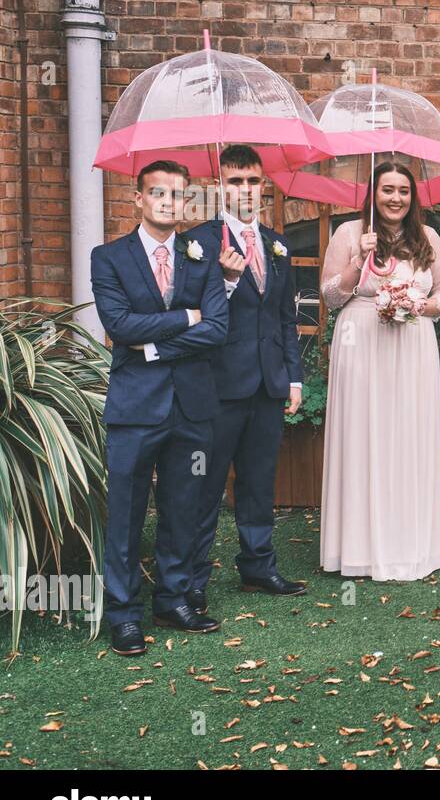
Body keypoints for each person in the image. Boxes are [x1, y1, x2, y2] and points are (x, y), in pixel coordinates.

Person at [90, 160, 228, 655]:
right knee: (126, 515)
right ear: (139, 199)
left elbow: (217, 329)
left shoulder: (201, 257)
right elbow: (120, 325)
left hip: (191, 407)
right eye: (159, 193)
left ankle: (173, 599)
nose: (169, 202)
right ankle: (124, 615)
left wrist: (155, 346)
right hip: (134, 409)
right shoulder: (107, 258)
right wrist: (185, 316)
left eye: (177, 194)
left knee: (182, 507)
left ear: (187, 202)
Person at [318, 162, 440, 581]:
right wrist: (358, 258)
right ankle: (359, 548)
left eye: (403, 191)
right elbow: (329, 295)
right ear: (373, 194)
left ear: (412, 197)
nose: (395, 198)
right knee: (363, 434)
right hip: (361, 338)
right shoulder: (348, 233)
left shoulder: (428, 237)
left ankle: (409, 544)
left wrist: (424, 306)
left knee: (407, 435)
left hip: (413, 341)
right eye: (387, 190)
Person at [188, 145, 307, 615]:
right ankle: (192, 581)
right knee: (205, 484)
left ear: (263, 186)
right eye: (235, 181)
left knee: (259, 480)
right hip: (217, 386)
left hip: (267, 385)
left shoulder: (278, 244)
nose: (244, 190)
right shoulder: (198, 241)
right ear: (220, 186)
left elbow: (285, 319)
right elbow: (192, 313)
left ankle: (258, 566)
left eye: (252, 181)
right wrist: (225, 280)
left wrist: (294, 379)